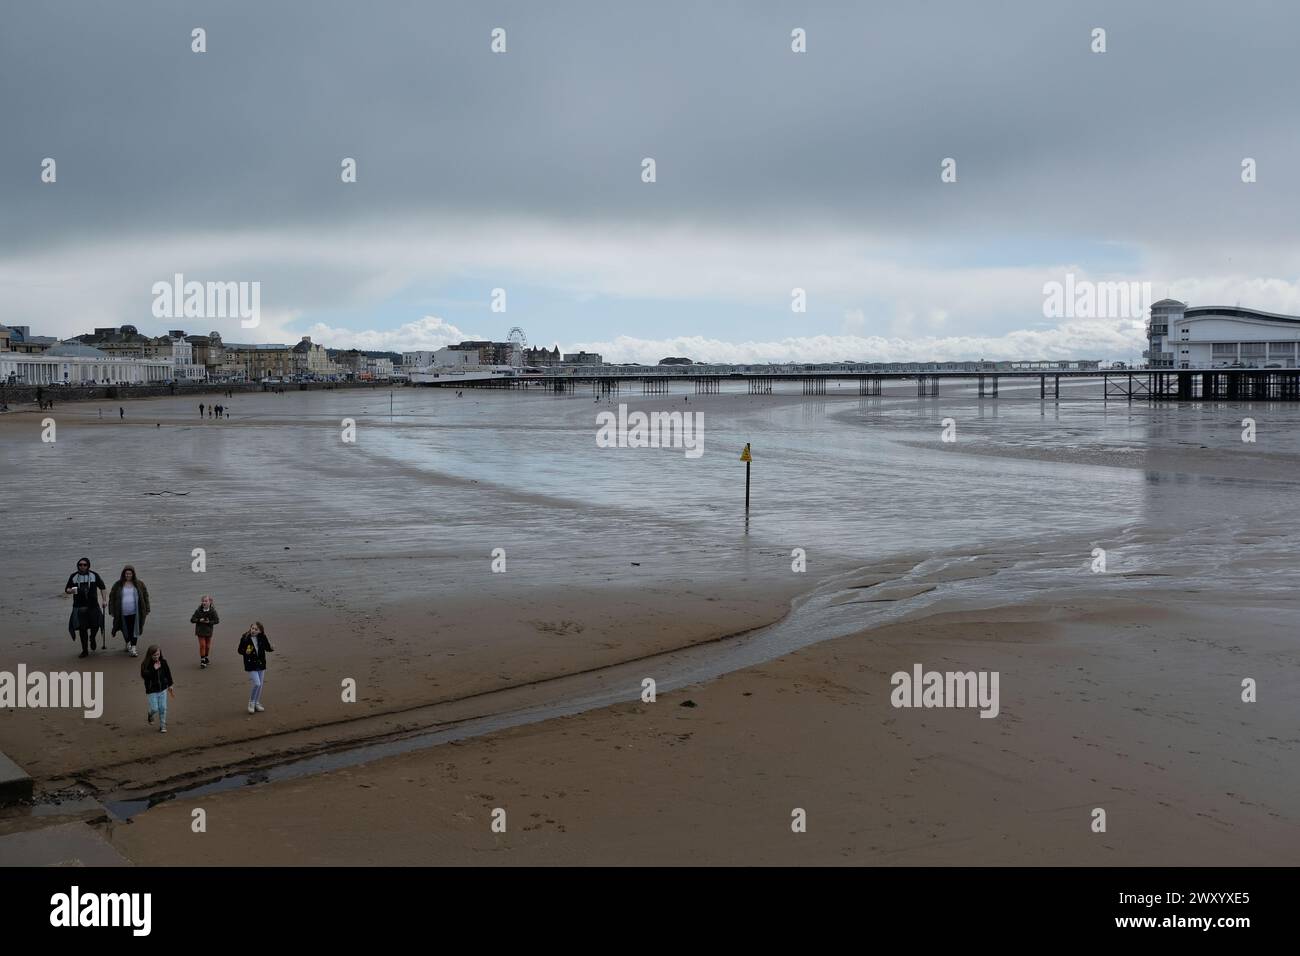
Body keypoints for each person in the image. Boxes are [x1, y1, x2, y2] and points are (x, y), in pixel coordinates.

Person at [64, 558, 106, 658]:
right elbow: (67, 589)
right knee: (82, 629)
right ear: (77, 566)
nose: (82, 566)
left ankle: (92, 637)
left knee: (95, 626)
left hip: (93, 606)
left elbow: (102, 588)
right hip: (79, 607)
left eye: (85, 565)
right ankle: (85, 650)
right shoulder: (73, 576)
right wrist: (72, 591)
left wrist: (104, 600)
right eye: (80, 565)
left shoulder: (94, 575)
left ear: (88, 566)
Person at [108, 565, 151, 657]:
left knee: (135, 629)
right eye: (126, 573)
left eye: (130, 573)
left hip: (136, 612)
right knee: (125, 629)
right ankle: (128, 643)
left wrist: (147, 608)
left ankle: (133, 648)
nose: (128, 575)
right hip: (122, 613)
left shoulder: (139, 584)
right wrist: (111, 610)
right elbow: (111, 597)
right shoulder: (118, 584)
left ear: (133, 574)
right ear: (123, 574)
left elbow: (145, 596)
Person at [237, 622, 273, 714]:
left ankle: (257, 703)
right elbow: (240, 650)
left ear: (260, 631)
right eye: (252, 628)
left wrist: (271, 648)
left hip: (261, 664)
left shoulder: (262, 637)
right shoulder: (245, 638)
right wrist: (246, 652)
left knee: (260, 685)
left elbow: (267, 647)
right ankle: (251, 702)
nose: (253, 630)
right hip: (250, 664)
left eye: (256, 629)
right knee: (257, 683)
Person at [140, 645, 174, 734]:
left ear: (160, 654)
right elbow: (145, 676)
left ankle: (163, 726)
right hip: (152, 690)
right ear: (150, 655)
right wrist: (154, 669)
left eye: (158, 654)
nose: (156, 656)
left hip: (163, 689)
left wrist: (170, 685)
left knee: (163, 708)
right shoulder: (145, 665)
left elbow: (168, 674)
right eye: (154, 655)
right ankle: (150, 714)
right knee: (154, 709)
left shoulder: (163, 662)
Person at [190, 595, 220, 668]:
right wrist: (199, 620)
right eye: (203, 601)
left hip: (208, 631)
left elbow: (217, 621)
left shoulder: (213, 611)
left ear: (210, 602)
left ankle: (206, 657)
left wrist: (209, 622)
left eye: (206, 601)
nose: (204, 602)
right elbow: (192, 620)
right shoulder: (198, 611)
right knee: (202, 645)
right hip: (200, 631)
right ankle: (202, 660)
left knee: (208, 646)